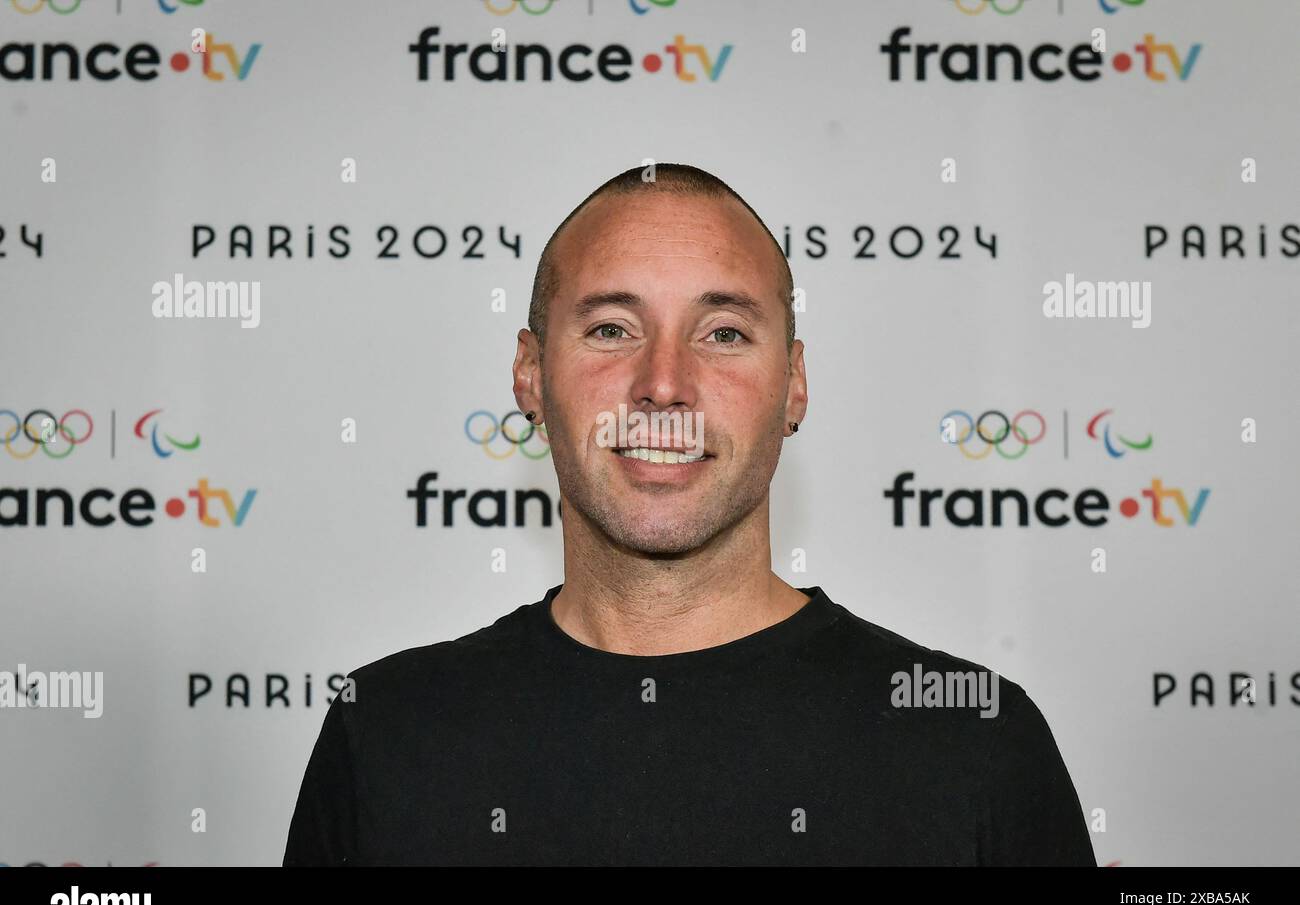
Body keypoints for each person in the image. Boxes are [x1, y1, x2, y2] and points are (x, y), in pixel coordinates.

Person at [283, 163, 1096, 865]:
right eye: (610, 328)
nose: (663, 383)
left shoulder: (976, 741)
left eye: (723, 332)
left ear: (794, 384)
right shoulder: (389, 732)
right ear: (529, 376)